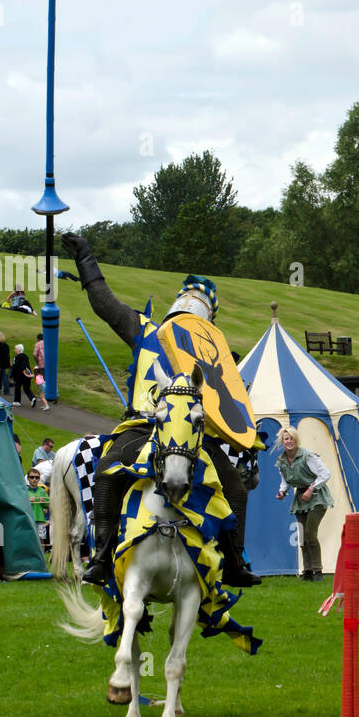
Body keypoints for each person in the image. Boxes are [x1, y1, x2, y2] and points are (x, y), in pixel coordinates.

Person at [61, 232, 260, 589]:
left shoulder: (210, 353)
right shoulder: (143, 328)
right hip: (142, 424)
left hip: (193, 433)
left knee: (235, 487)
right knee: (108, 470)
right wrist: (86, 260)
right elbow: (105, 305)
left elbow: (226, 404)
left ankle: (234, 560)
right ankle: (103, 555)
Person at [274, 426, 334, 581]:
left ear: (296, 440)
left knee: (310, 534)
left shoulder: (307, 456)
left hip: (316, 497)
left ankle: (318, 571)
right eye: (286, 439)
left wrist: (311, 489)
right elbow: (286, 480)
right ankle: (307, 571)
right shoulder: (282, 461)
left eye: (292, 438)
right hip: (301, 498)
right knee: (301, 536)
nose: (289, 441)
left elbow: (325, 474)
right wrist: (282, 492)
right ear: (282, 441)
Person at [27, 470, 51, 552]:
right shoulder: (25, 490)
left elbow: (47, 505)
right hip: (29, 519)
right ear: (28, 478)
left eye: (36, 477)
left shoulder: (42, 491)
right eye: (32, 477)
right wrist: (28, 501)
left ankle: (42, 559)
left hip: (40, 518)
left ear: (39, 479)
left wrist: (44, 502)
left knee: (41, 539)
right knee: (29, 539)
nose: (34, 479)